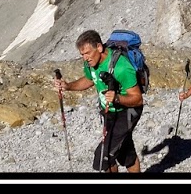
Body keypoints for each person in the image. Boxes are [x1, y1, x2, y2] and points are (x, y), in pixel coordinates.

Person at [53, 29, 144, 174]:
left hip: (127, 111)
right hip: (109, 111)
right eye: (82, 55)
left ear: (99, 47)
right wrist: (68, 86)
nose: (85, 58)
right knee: (125, 151)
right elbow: (90, 80)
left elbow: (138, 99)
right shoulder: (91, 64)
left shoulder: (121, 67)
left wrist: (116, 98)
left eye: (87, 53)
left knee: (103, 158)